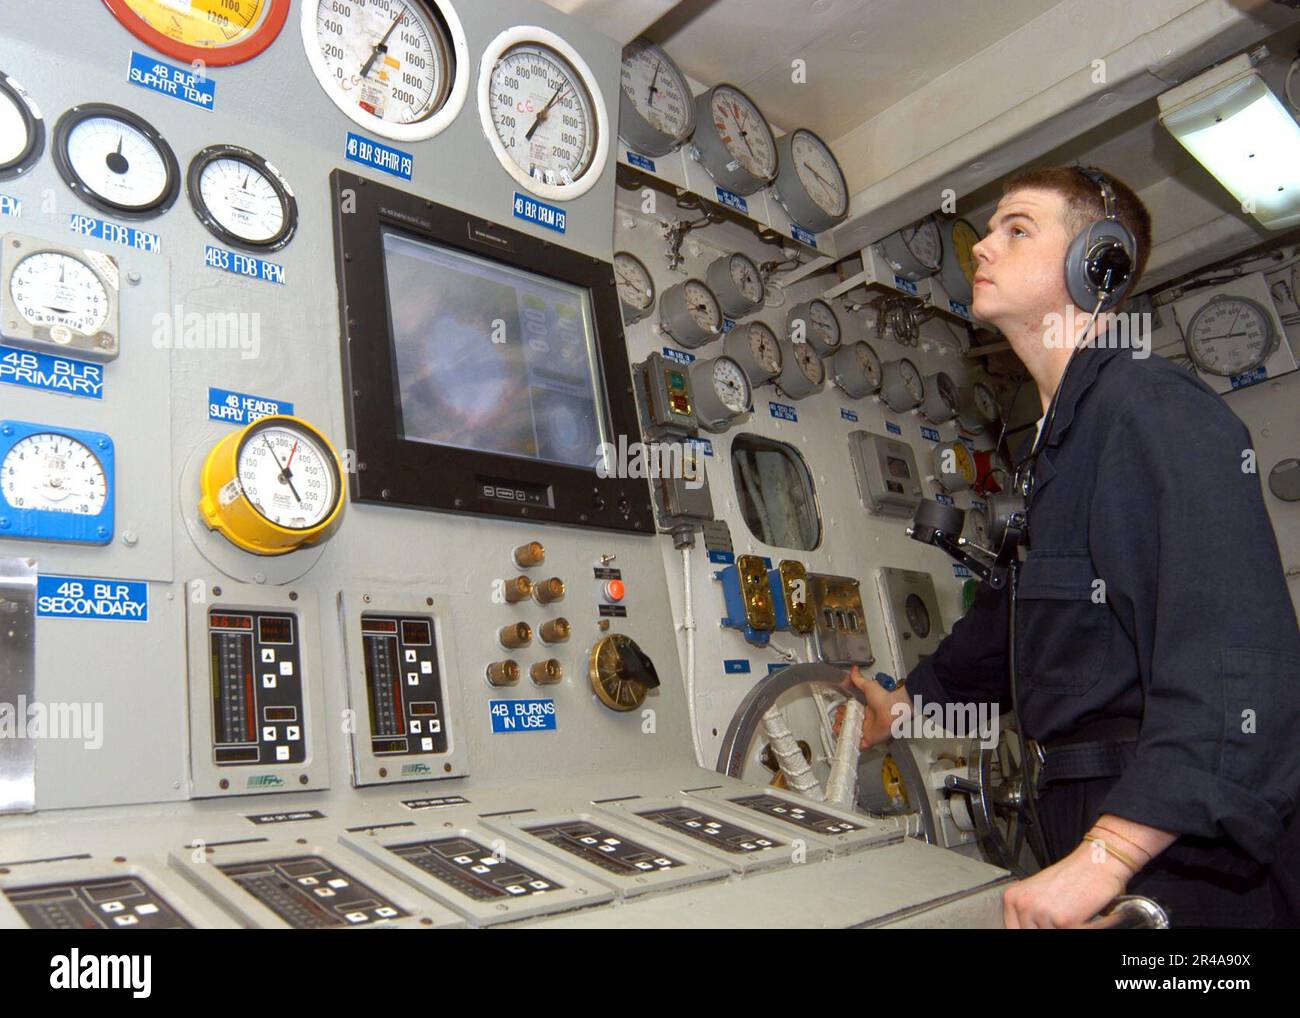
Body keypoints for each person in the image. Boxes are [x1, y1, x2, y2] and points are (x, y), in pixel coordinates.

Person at [843, 165, 1300, 928]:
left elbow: (1240, 670)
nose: (981, 247)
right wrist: (907, 707)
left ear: (1101, 262)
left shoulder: (1151, 408)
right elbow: (1011, 636)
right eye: (988, 230)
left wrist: (1109, 858)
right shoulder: (1059, 448)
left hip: (1191, 863)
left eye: (1016, 228)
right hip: (1097, 811)